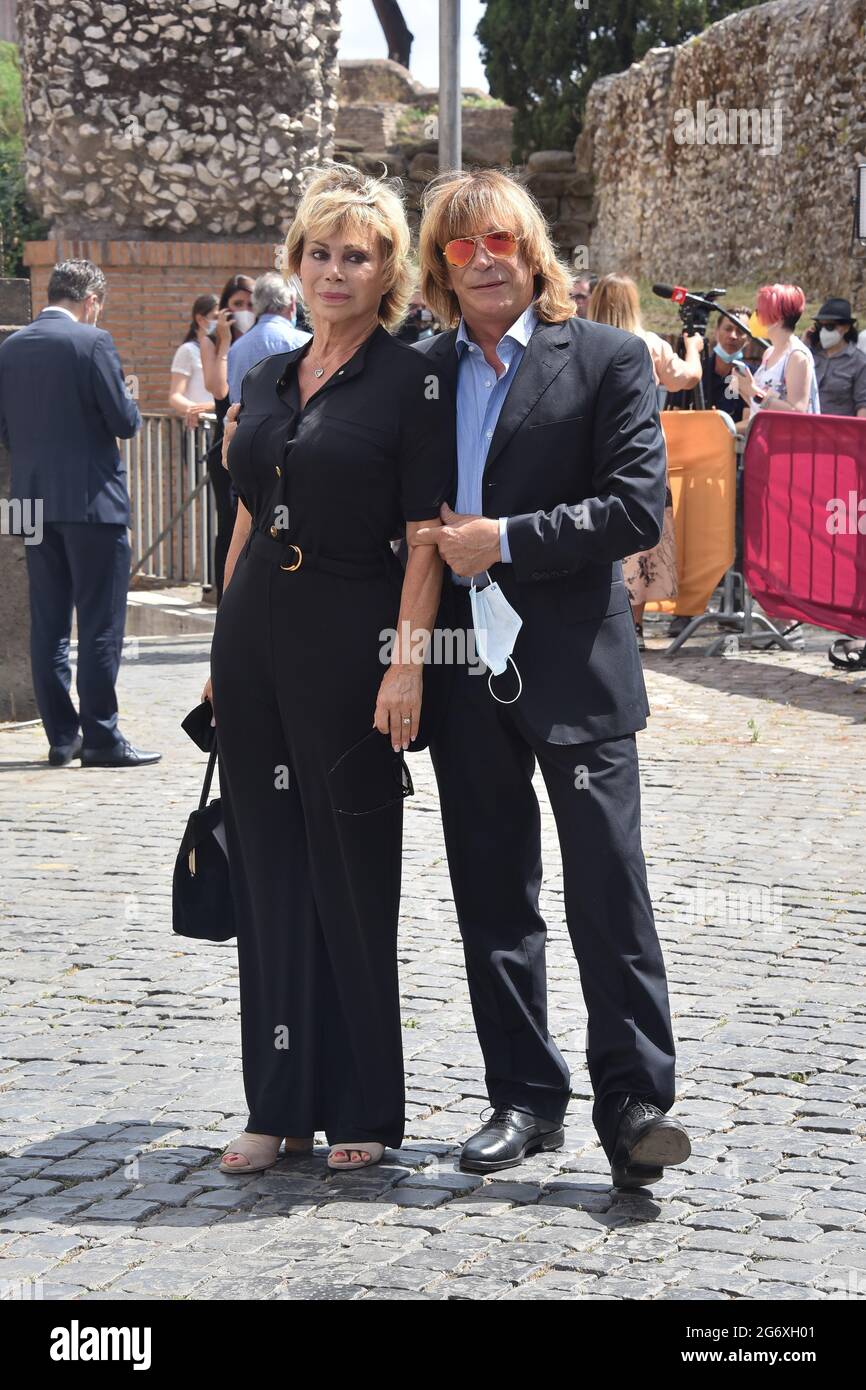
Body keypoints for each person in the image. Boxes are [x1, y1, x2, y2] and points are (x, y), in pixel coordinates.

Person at [413, 170, 690, 1190]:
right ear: (440, 268)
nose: (483, 260)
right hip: (460, 670)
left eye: (499, 240)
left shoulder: (609, 359)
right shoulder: (423, 371)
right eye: (458, 247)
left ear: (530, 249)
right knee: (493, 894)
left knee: (607, 891)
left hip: (572, 667)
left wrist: (503, 542)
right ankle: (524, 1097)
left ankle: (635, 1103)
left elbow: (632, 507)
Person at [205, 165, 453, 1174]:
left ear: (387, 267)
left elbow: (425, 537)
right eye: (319, 252)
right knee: (266, 868)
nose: (334, 270)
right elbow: (246, 513)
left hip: (353, 634)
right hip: (256, 628)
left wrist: (406, 665)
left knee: (351, 871)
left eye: (356, 254)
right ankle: (277, 1104)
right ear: (295, 263)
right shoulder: (265, 374)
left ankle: (359, 1099)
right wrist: (224, 641)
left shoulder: (412, 378)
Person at [0, 259, 159, 767]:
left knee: (45, 621)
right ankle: (101, 737)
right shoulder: (93, 343)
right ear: (90, 301)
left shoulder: (8, 349)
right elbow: (124, 420)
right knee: (98, 623)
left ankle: (60, 736)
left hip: (27, 500)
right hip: (92, 502)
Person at [588, 273, 702, 649]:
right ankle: (633, 625)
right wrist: (694, 348)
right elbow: (687, 379)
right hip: (642, 451)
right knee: (640, 535)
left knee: (595, 526)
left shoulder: (584, 341)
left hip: (591, 452)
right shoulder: (649, 344)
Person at [198, 274, 255, 602]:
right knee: (230, 526)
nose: (244, 311)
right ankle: (226, 600)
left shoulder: (265, 337)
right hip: (226, 446)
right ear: (224, 310)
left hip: (260, 443)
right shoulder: (213, 339)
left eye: (249, 304)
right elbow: (219, 388)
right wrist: (223, 340)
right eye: (236, 305)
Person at [734, 283, 820, 419]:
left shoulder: (797, 356)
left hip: (786, 438)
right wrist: (743, 388)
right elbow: (760, 404)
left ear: (778, 318)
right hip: (763, 434)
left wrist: (753, 391)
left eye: (760, 311)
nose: (755, 316)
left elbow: (797, 411)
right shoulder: (769, 353)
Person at [226, 271, 310, 405]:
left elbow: (235, 401)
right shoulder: (306, 343)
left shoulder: (236, 348)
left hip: (247, 424)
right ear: (292, 304)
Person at [803, 298, 866, 418]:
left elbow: (863, 405)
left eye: (830, 326)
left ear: (846, 328)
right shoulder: (809, 356)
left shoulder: (860, 362)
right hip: (806, 429)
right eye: (820, 326)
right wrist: (803, 345)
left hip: (839, 433)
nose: (824, 331)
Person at [169, 294, 218, 425]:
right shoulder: (188, 350)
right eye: (215, 318)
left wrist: (213, 406)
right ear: (200, 320)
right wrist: (196, 410)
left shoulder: (224, 351)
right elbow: (175, 396)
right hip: (200, 425)